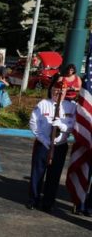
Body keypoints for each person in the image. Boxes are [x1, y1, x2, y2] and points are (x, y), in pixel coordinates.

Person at [27, 82, 76, 212]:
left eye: (62, 92)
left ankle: (48, 202)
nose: (58, 94)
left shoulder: (70, 107)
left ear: (65, 92)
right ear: (52, 90)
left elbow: (73, 126)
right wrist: (44, 140)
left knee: (54, 176)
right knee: (37, 173)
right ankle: (34, 200)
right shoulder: (43, 104)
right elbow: (33, 123)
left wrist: (63, 126)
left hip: (60, 146)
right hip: (43, 144)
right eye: (56, 91)